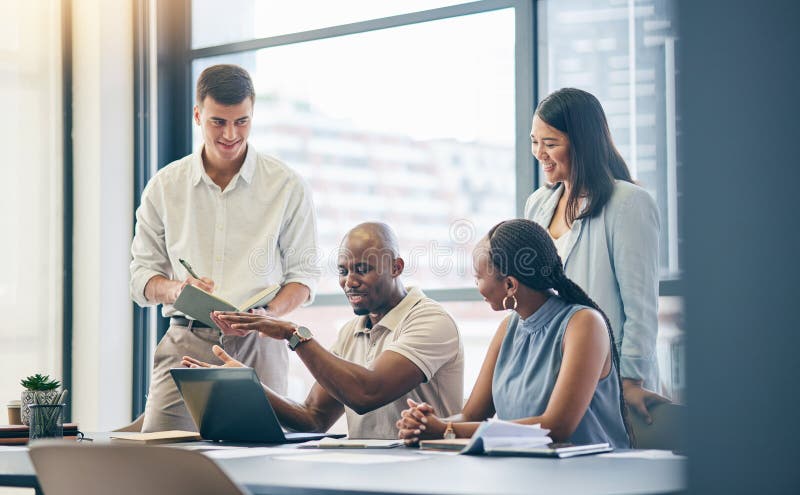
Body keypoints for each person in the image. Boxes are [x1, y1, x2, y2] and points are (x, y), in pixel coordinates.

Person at [130, 64, 321, 432]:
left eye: (241, 121)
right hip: (185, 341)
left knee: (257, 454)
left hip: (260, 344)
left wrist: (267, 314)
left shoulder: (287, 185)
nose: (231, 134)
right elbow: (141, 278)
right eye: (218, 122)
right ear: (197, 115)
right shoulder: (165, 186)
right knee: (161, 454)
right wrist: (177, 290)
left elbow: (304, 277)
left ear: (252, 115)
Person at [182, 222, 465, 440]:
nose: (349, 282)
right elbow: (314, 417)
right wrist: (248, 384)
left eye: (362, 269)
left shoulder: (430, 320)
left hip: (422, 469)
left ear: (396, 268)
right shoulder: (352, 331)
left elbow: (368, 393)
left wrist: (294, 335)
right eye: (343, 271)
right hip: (367, 471)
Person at [396, 219, 630, 448]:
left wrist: (445, 430)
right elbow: (471, 416)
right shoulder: (508, 328)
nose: (477, 286)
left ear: (510, 285)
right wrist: (426, 424)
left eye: (478, 278)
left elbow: (555, 428)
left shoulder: (584, 324)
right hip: (526, 467)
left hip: (588, 469)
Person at [525, 88, 668, 422]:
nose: (540, 153)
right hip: (553, 372)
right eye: (535, 142)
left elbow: (641, 307)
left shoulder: (628, 203)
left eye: (550, 143)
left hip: (611, 379)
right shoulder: (537, 204)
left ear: (582, 143)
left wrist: (631, 380)